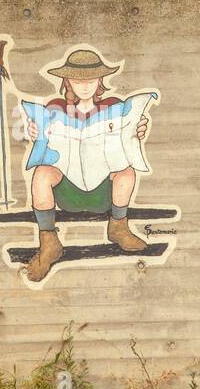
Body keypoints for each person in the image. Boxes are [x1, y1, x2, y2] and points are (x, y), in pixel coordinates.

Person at [22, 48, 150, 282]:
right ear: (67, 81)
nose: (84, 85)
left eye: (91, 79)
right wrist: (34, 133)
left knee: (126, 171)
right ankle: (49, 241)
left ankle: (118, 226)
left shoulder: (113, 107)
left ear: (100, 80)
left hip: (103, 192)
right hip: (68, 191)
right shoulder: (55, 109)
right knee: (41, 174)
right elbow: (45, 143)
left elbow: (127, 139)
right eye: (77, 80)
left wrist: (137, 131)